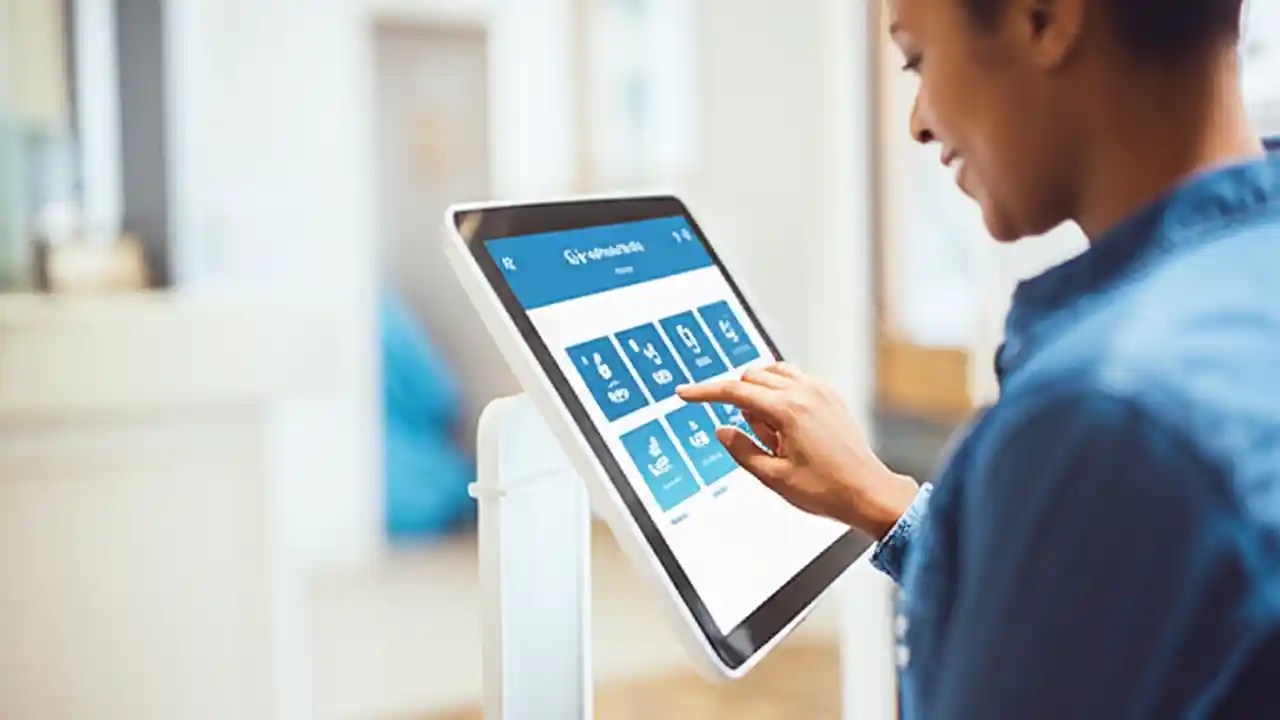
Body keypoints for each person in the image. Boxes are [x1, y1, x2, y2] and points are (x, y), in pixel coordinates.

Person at [678, 0, 1280, 717]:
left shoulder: (1108, 414)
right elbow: (1133, 611)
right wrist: (883, 499)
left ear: (1045, 19)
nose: (919, 121)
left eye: (918, 60)